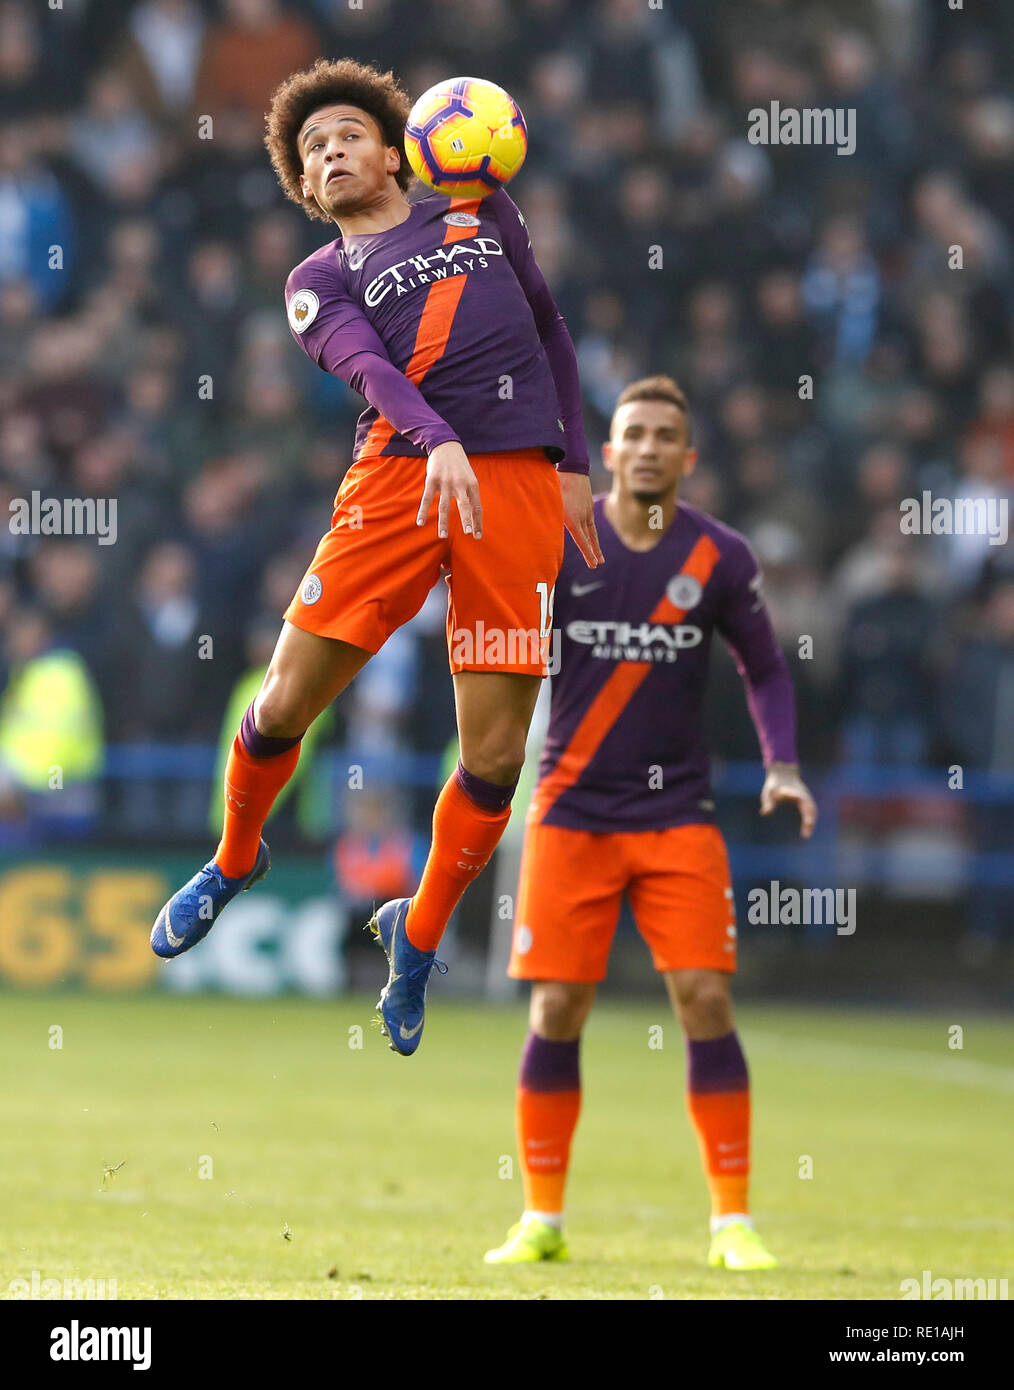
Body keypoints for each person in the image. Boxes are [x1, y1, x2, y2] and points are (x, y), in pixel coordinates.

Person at [150, 58, 603, 1057]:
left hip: (518, 490)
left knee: (491, 757)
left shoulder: (487, 215)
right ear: (308, 191)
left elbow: (551, 330)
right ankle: (234, 859)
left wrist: (576, 460)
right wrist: (436, 436)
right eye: (313, 151)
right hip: (398, 481)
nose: (330, 151)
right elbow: (365, 363)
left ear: (398, 151)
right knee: (280, 704)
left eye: (346, 133)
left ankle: (420, 932)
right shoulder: (319, 279)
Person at [484, 376, 817, 1270]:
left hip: (678, 816)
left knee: (704, 998)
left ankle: (731, 1223)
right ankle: (541, 1218)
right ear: (613, 446)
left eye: (667, 435)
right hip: (571, 809)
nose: (648, 448)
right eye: (633, 433)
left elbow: (767, 670)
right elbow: (497, 626)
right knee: (556, 1007)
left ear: (687, 456)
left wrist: (781, 762)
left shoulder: (720, 558)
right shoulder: (564, 537)